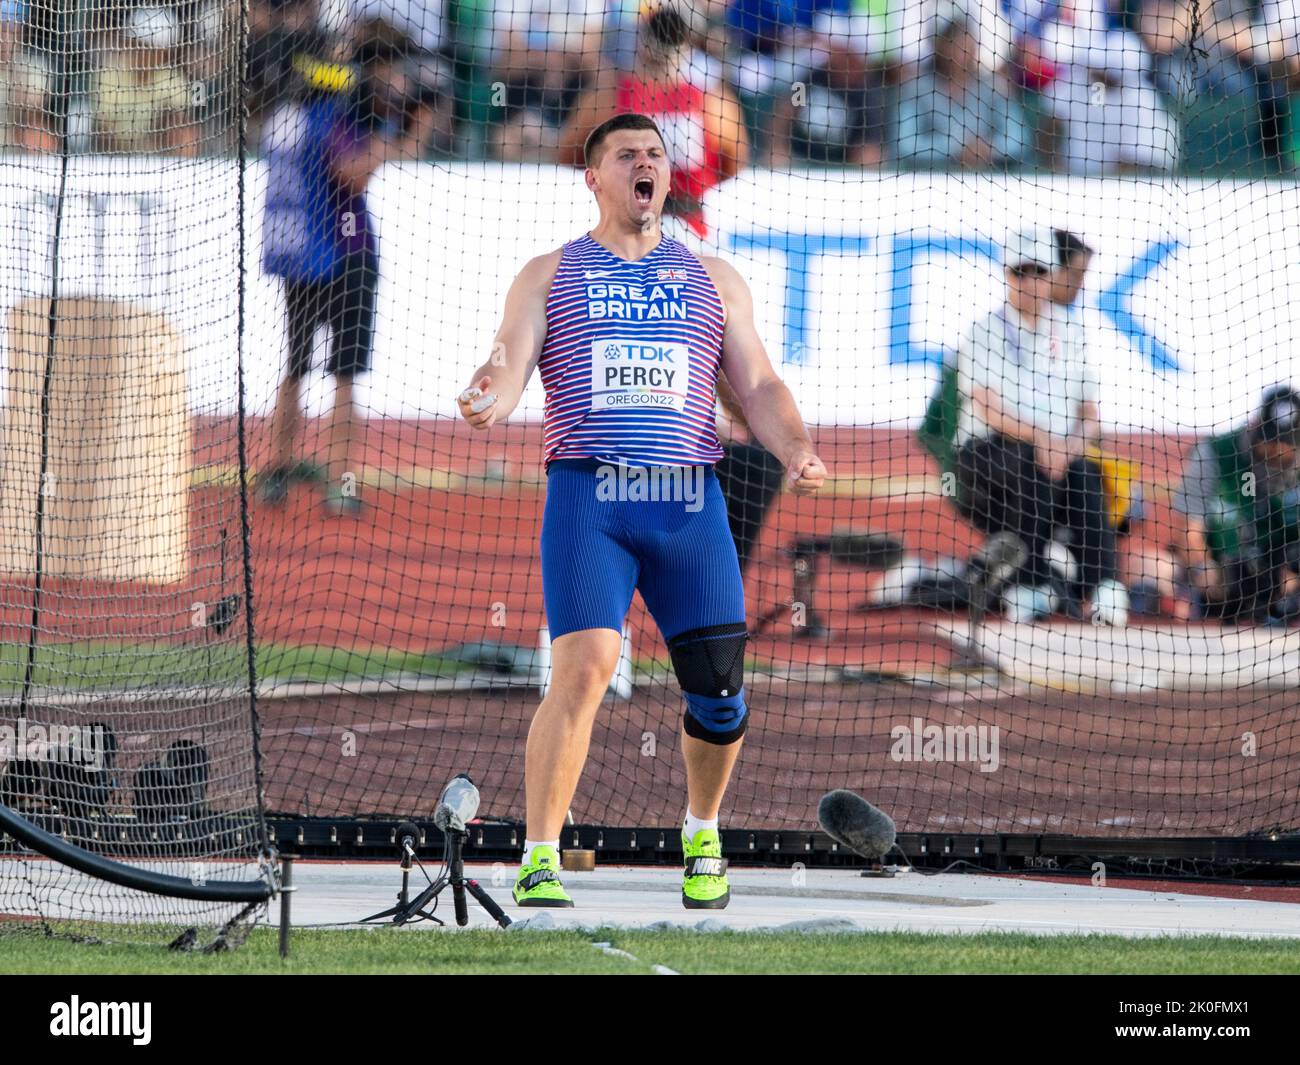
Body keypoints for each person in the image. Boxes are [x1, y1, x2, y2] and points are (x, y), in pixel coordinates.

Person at [457, 113, 826, 908]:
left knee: (720, 693)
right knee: (585, 666)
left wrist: (795, 449)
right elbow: (509, 355)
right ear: (595, 178)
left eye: (655, 154)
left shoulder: (713, 278)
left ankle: (701, 828)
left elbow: (758, 385)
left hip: (687, 502)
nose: (645, 164)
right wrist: (491, 390)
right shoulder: (549, 273)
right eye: (627, 155)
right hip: (591, 498)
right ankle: (541, 853)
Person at [259, 26, 440, 513]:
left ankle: (277, 469)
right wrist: (394, 138)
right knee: (344, 373)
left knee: (295, 365)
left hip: (298, 259)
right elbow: (351, 175)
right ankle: (340, 480)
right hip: (343, 256)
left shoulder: (282, 119)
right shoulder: (333, 118)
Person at [952, 227, 1122, 621]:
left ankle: (1104, 589)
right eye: (1020, 272)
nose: (1029, 282)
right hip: (986, 454)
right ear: (1007, 275)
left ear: (1051, 276)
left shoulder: (1072, 329)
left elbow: (1089, 413)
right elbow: (988, 410)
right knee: (1036, 467)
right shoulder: (984, 331)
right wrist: (1044, 440)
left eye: (1038, 272)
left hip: (1056, 451)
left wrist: (1070, 445)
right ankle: (1026, 585)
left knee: (1084, 475)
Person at [557, 4, 748, 244]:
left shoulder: (608, 98)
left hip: (625, 231)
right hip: (688, 229)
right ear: (687, 44)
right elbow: (733, 164)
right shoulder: (714, 103)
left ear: (642, 41)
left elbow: (568, 156)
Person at [1170, 386, 1300, 624]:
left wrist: (1293, 577)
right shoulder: (1216, 452)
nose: (1278, 449)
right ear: (1256, 426)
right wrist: (1204, 569)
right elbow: (1189, 531)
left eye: (1287, 443)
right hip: (1225, 579)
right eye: (1271, 440)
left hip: (1286, 579)